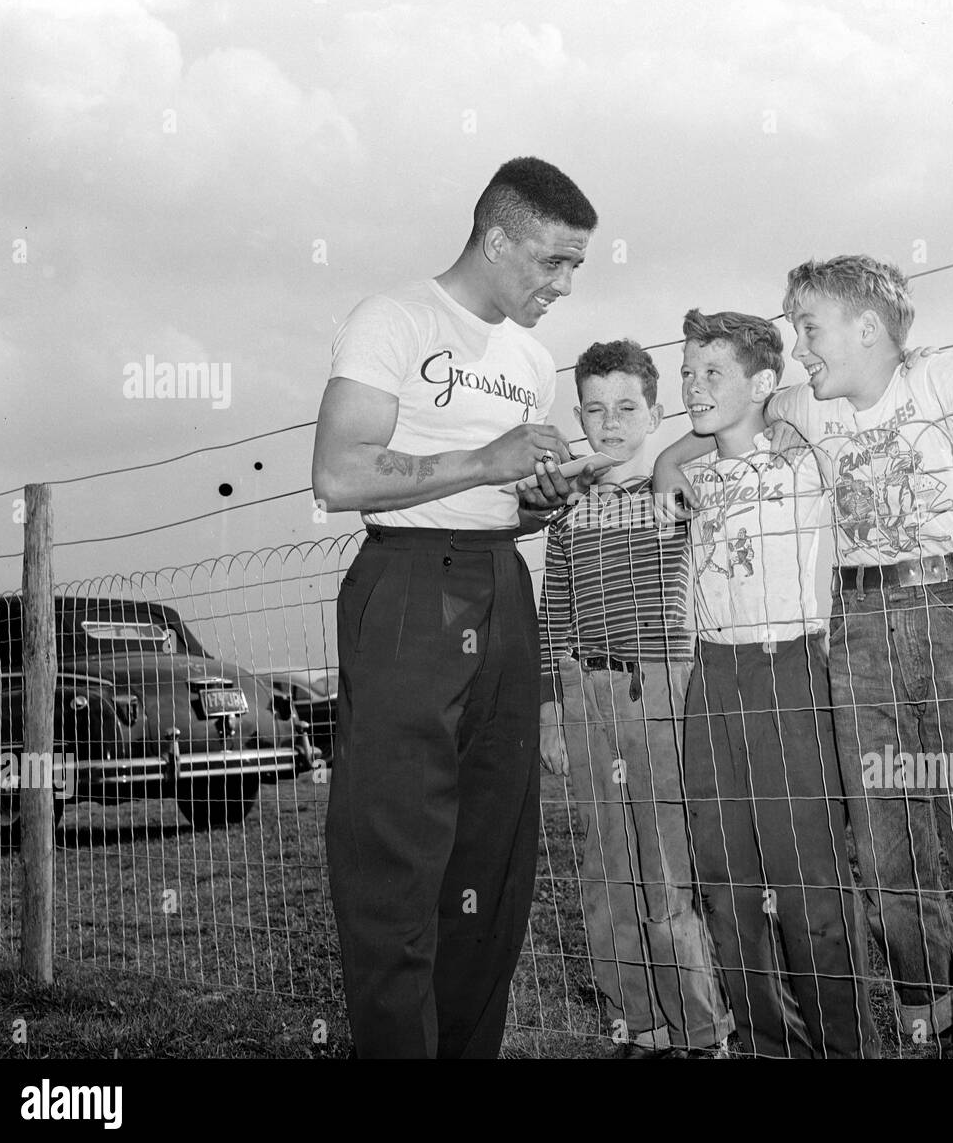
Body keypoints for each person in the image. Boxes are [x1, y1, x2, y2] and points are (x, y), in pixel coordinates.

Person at [311, 156, 598, 1058]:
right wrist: (486, 462)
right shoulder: (392, 318)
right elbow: (338, 474)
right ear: (496, 236)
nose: (561, 285)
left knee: (493, 859)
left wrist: (538, 502)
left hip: (503, 584)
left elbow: (505, 492)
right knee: (397, 856)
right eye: (551, 261)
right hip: (409, 589)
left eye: (576, 268)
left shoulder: (530, 356)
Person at [766, 254, 953, 1057]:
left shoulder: (933, 381)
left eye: (809, 327)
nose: (800, 346)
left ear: (867, 327)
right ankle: (924, 1019)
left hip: (949, 618)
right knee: (884, 841)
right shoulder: (804, 402)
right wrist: (665, 464)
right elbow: (735, 411)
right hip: (859, 629)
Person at [670, 309, 880, 1058]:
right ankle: (766, 1044)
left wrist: (782, 398)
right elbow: (675, 449)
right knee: (726, 886)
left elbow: (823, 397)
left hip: (785, 668)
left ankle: (844, 1045)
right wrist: (680, 450)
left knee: (809, 885)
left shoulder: (803, 461)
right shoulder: (688, 478)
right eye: (687, 372)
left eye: (711, 372)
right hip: (712, 676)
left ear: (761, 382)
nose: (692, 386)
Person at [535, 339, 732, 1058]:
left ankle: (701, 1028)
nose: (610, 421)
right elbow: (554, 609)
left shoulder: (675, 489)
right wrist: (552, 709)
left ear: (655, 412)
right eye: (594, 407)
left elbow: (760, 409)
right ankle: (640, 1024)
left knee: (665, 869)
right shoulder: (566, 506)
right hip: (586, 690)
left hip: (660, 689)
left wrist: (674, 457)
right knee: (604, 868)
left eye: (627, 407)